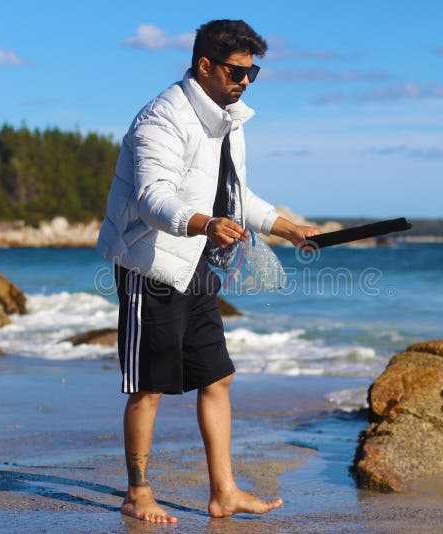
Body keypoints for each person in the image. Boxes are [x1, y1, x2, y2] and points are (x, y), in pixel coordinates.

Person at [97, 19, 319, 524]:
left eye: (252, 72)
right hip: (150, 263)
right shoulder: (163, 118)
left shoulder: (228, 121)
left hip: (197, 265)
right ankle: (138, 492)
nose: (245, 81)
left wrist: (288, 228)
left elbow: (237, 198)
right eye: (237, 71)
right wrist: (204, 223)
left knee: (217, 378)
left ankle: (224, 491)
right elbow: (153, 199)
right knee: (147, 386)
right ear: (205, 66)